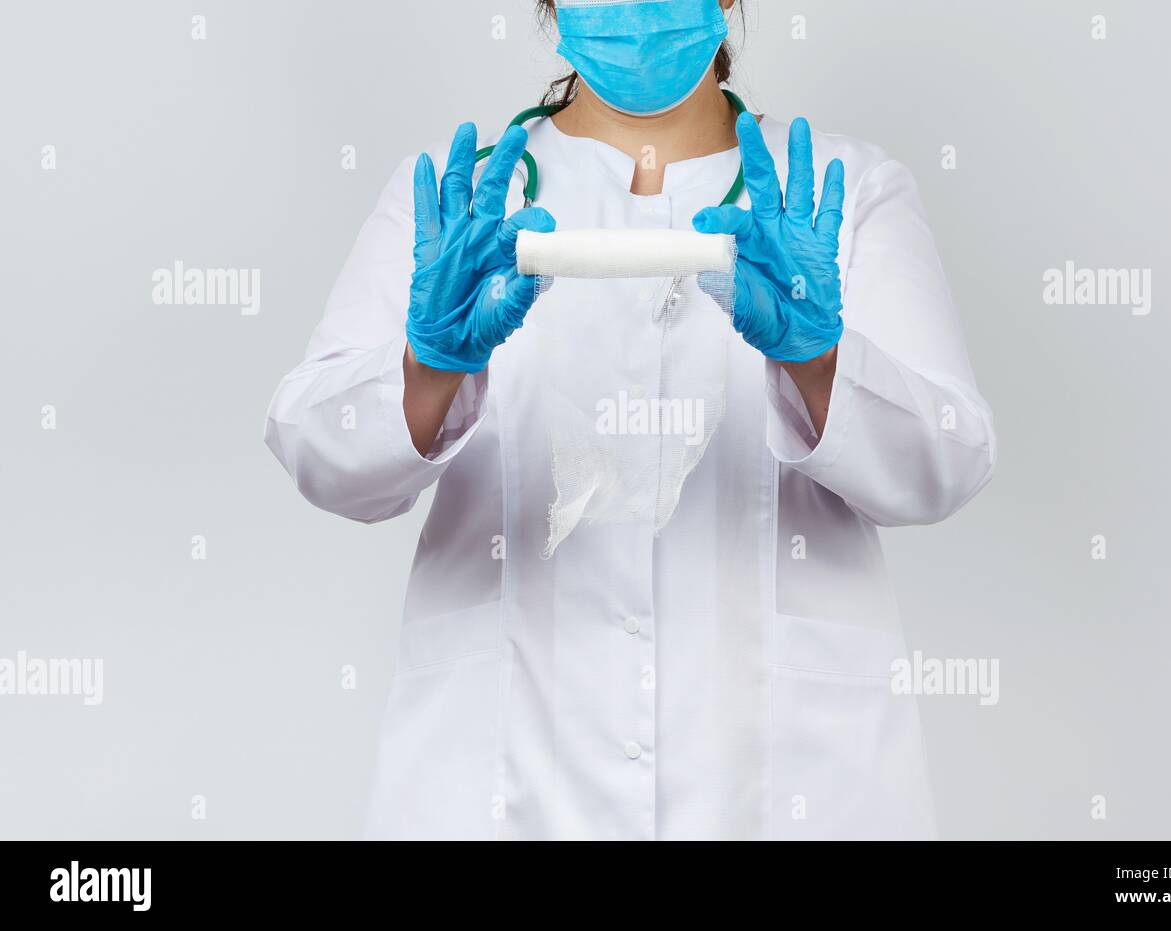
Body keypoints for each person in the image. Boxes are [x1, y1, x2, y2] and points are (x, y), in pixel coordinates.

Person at [265, 0, 996, 840]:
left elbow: (948, 461)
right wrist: (430, 366)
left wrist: (816, 361)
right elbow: (319, 450)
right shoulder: (455, 197)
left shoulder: (839, 190)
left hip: (782, 783)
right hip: (503, 775)